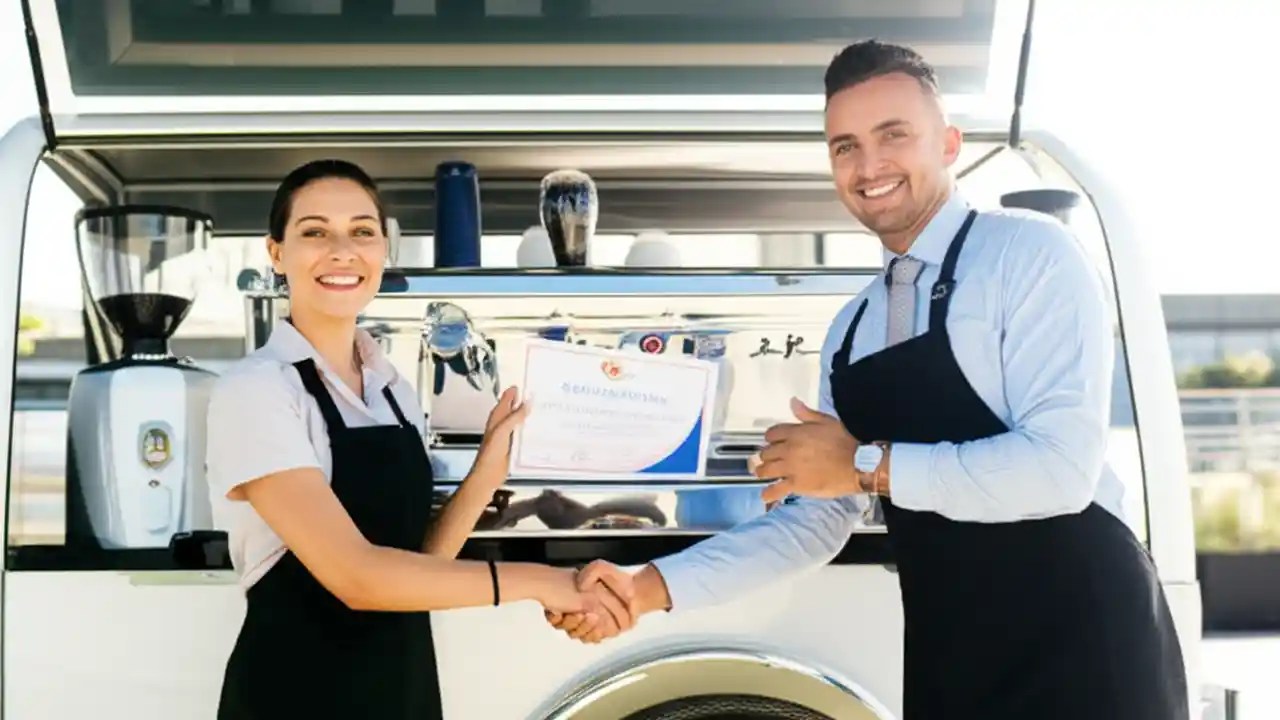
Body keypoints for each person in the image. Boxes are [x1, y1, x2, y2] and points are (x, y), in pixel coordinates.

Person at [546, 40, 1190, 720]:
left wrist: (862, 465)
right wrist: (647, 587)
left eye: (893, 135)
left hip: (1085, 643)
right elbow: (812, 524)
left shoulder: (1029, 255)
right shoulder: (849, 332)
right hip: (955, 648)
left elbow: (1060, 472)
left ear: (948, 143)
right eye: (844, 146)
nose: (869, 165)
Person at [206, 159, 632, 719]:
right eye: (314, 232)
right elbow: (358, 577)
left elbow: (419, 564)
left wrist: (486, 475)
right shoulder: (257, 389)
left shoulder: (392, 389)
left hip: (401, 694)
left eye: (362, 231)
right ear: (277, 253)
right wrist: (541, 582)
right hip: (296, 696)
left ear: (385, 250)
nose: (341, 250)